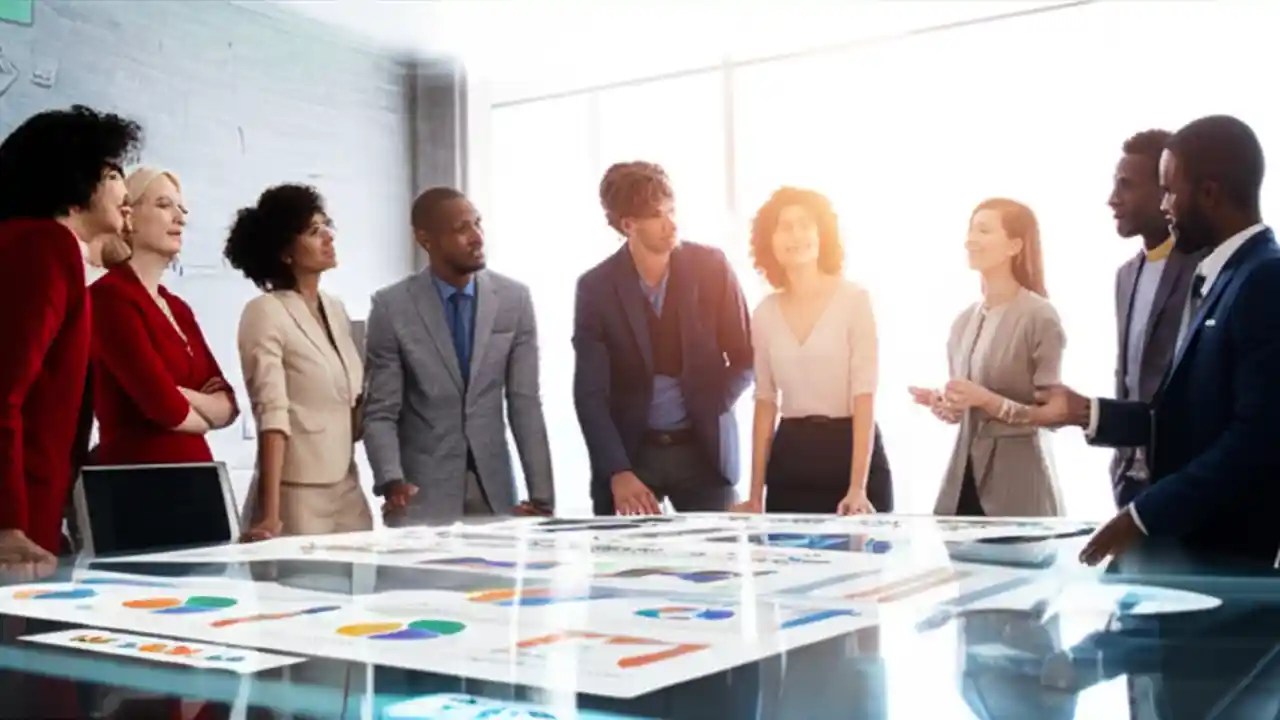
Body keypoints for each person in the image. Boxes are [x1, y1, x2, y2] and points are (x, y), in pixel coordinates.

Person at [1037, 115, 1280, 566]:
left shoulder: (1264, 278)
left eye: (1170, 190)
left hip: (1224, 555)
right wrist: (1087, 413)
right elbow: (1182, 415)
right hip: (1189, 542)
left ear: (1208, 193)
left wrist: (1142, 516)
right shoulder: (1223, 276)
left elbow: (1257, 436)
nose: (1166, 206)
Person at [0, 105, 139, 573]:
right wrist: (7, 522)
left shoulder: (37, 247)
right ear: (76, 184)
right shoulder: (44, 244)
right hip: (15, 525)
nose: (127, 193)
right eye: (115, 173)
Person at [363, 187, 554, 525]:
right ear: (426, 239)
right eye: (461, 228)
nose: (477, 237)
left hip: (494, 492)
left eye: (478, 224)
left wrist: (542, 497)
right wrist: (391, 480)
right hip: (420, 494)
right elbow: (381, 411)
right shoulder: (391, 307)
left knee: (498, 580)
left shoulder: (515, 299)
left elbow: (524, 402)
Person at [573, 161, 753, 516]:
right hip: (632, 456)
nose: (672, 224)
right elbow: (590, 393)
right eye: (658, 216)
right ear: (628, 225)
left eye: (672, 211)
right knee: (627, 568)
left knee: (715, 568)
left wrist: (715, 400)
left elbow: (746, 356)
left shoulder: (711, 266)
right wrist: (618, 471)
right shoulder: (596, 288)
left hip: (705, 453)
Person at [225, 184, 372, 539]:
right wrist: (269, 516)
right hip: (297, 494)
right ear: (285, 252)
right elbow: (272, 414)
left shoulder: (335, 308)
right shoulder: (265, 312)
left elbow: (352, 400)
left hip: (348, 487)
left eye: (326, 226)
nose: (328, 237)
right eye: (312, 231)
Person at [735, 187, 891, 515]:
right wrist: (754, 496)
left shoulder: (854, 300)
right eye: (784, 226)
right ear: (769, 240)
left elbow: (865, 395)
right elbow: (765, 402)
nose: (795, 235)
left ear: (822, 234)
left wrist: (857, 489)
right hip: (791, 459)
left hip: (851, 454)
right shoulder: (764, 312)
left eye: (805, 224)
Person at [909, 198, 1066, 517]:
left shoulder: (1040, 316)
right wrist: (945, 404)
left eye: (983, 230)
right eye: (970, 229)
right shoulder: (963, 321)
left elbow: (1053, 415)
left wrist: (985, 399)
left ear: (1014, 246)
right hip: (964, 480)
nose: (971, 239)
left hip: (1018, 485)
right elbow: (964, 413)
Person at [89, 167, 238, 467]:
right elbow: (162, 407)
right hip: (138, 475)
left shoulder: (178, 308)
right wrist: (199, 408)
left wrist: (179, 394)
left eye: (181, 208)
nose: (180, 218)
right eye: (163, 205)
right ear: (129, 216)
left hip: (196, 474)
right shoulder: (109, 296)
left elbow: (230, 405)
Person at [1108, 129, 1205, 508]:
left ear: (1165, 189)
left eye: (1126, 186)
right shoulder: (1125, 275)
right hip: (1128, 482)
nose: (1112, 199)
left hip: (1182, 482)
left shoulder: (1205, 267)